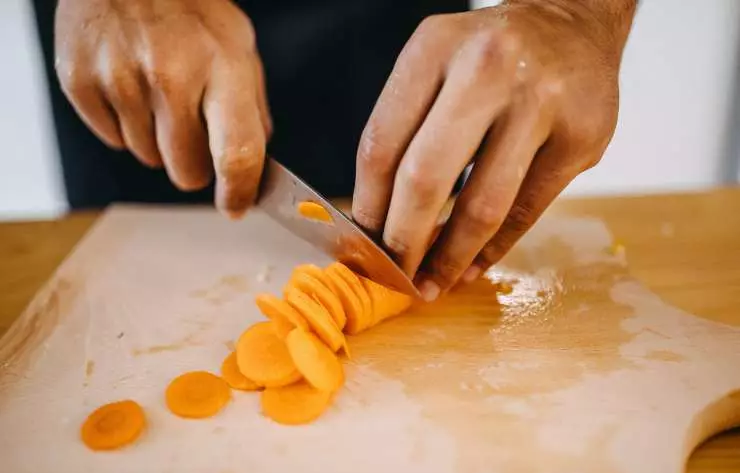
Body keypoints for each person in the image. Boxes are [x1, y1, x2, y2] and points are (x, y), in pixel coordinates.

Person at [32, 0, 636, 301]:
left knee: (417, 214)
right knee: (120, 288)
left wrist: (580, 12)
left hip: (378, 38)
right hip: (137, 43)